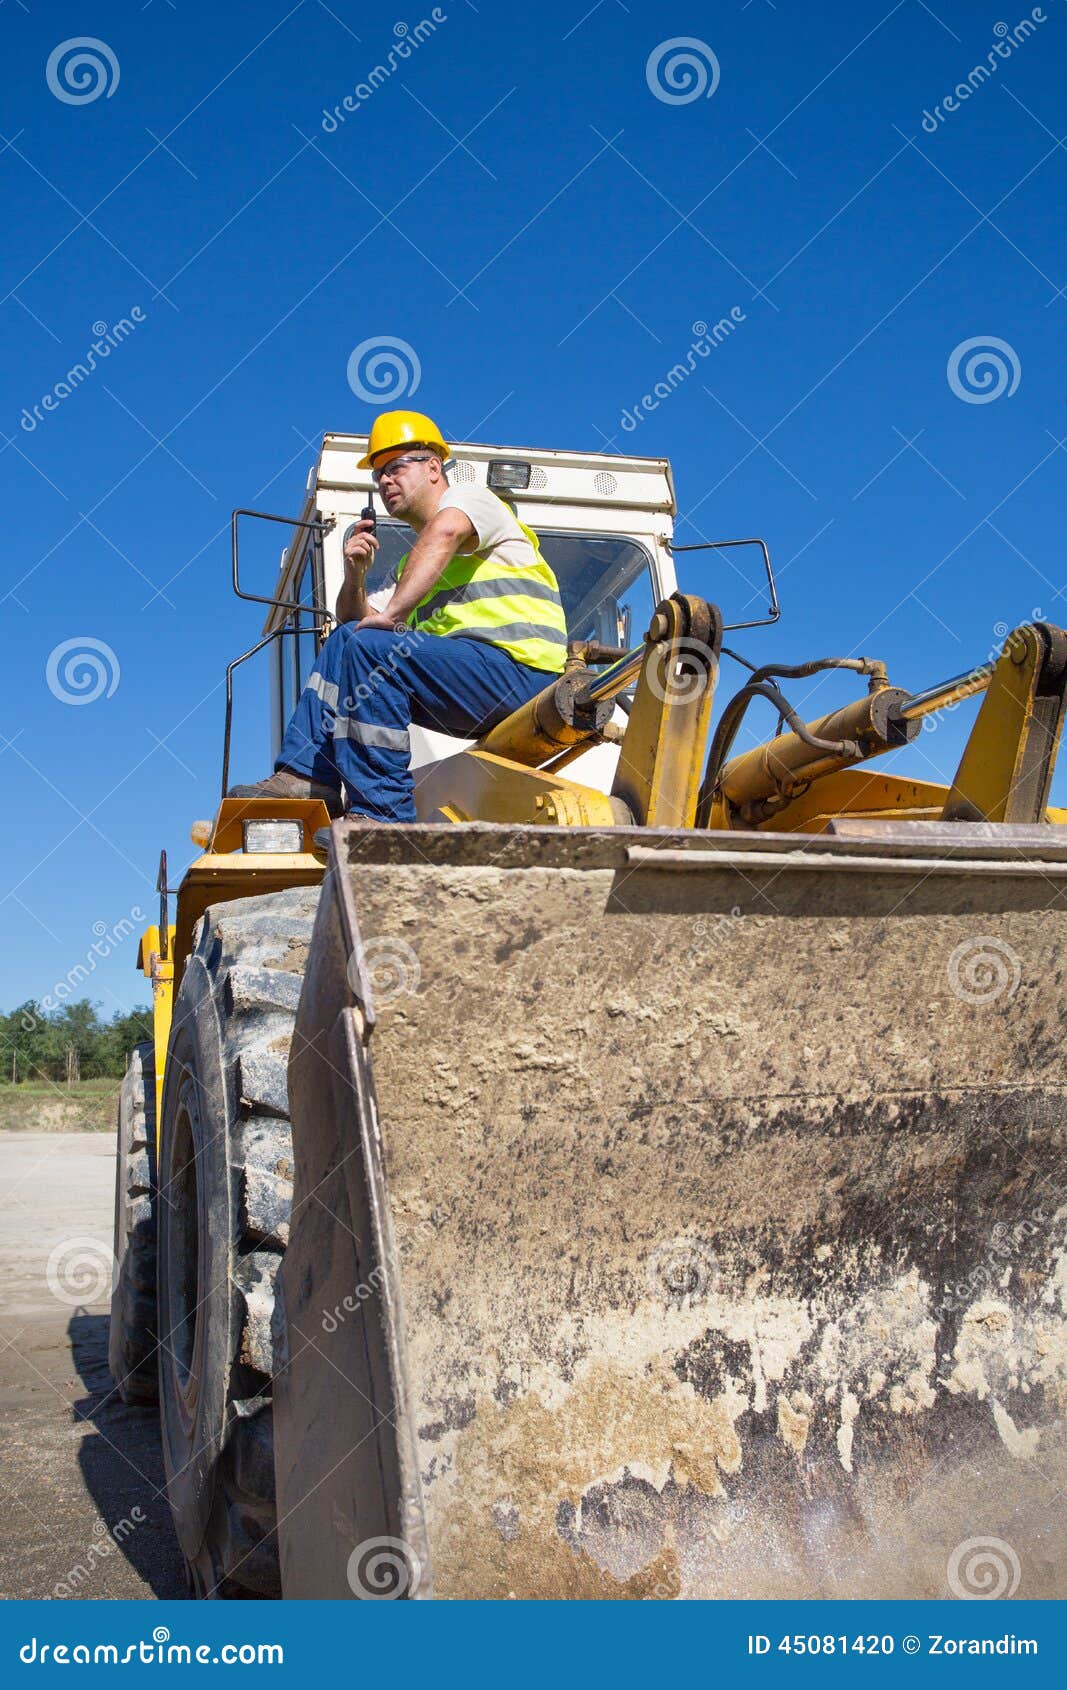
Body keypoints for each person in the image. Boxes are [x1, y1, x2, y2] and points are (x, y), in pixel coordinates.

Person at [230, 410, 568, 822]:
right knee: (347, 638)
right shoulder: (413, 563)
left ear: (432, 466)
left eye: (394, 467)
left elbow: (443, 535)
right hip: (472, 685)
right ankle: (307, 775)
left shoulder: (474, 501)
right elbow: (355, 622)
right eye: (378, 477)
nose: (385, 481)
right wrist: (355, 575)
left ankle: (382, 813)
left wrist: (392, 614)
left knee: (370, 646)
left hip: (521, 674)